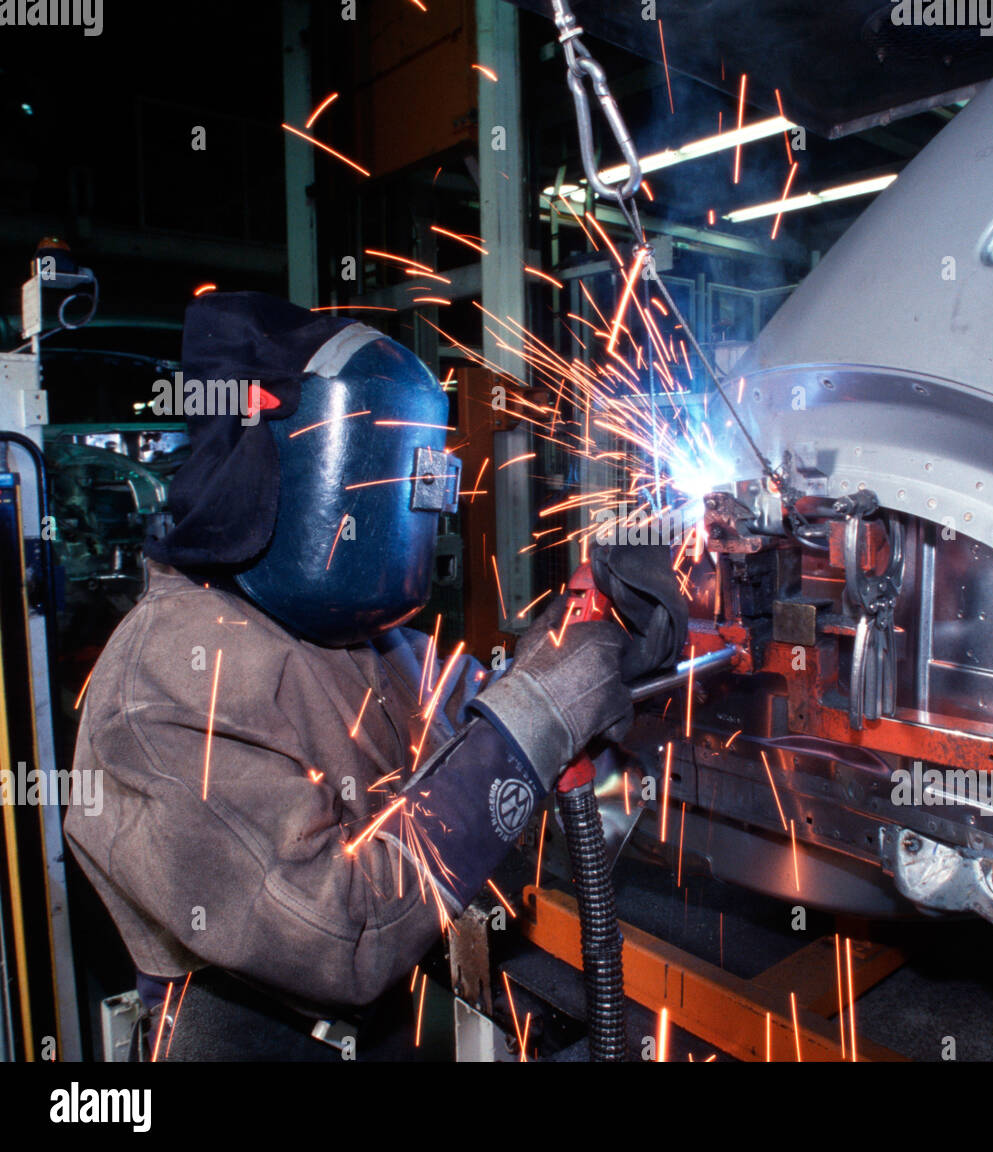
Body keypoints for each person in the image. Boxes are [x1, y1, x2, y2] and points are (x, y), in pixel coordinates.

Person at [63, 292, 685, 1060]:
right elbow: (342, 931)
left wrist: (600, 642)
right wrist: (538, 714)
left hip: (404, 1025)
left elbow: (483, 741)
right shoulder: (167, 681)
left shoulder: (362, 636)